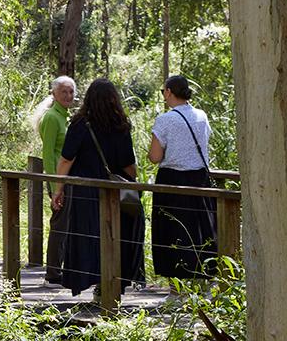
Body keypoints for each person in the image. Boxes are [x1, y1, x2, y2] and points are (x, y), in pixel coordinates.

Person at [53, 78, 146, 297]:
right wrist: (133, 186)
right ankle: (113, 284)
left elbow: (66, 159)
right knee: (115, 235)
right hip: (115, 191)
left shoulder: (80, 123)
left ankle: (95, 283)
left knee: (89, 237)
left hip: (85, 191)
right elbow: (128, 164)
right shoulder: (121, 124)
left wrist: (59, 189)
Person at [148, 74, 217, 280]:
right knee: (200, 228)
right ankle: (205, 281)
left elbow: (155, 156)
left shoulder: (165, 120)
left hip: (172, 181)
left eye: (163, 92)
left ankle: (176, 285)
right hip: (200, 179)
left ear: (169, 92)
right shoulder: (201, 115)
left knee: (172, 230)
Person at [31, 75, 78, 283]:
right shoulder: (52, 117)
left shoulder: (65, 116)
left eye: (71, 92)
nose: (68, 95)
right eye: (63, 92)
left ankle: (64, 268)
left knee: (67, 225)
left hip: (68, 179)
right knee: (59, 225)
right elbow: (48, 154)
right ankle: (53, 272)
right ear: (54, 94)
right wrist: (53, 185)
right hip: (59, 181)